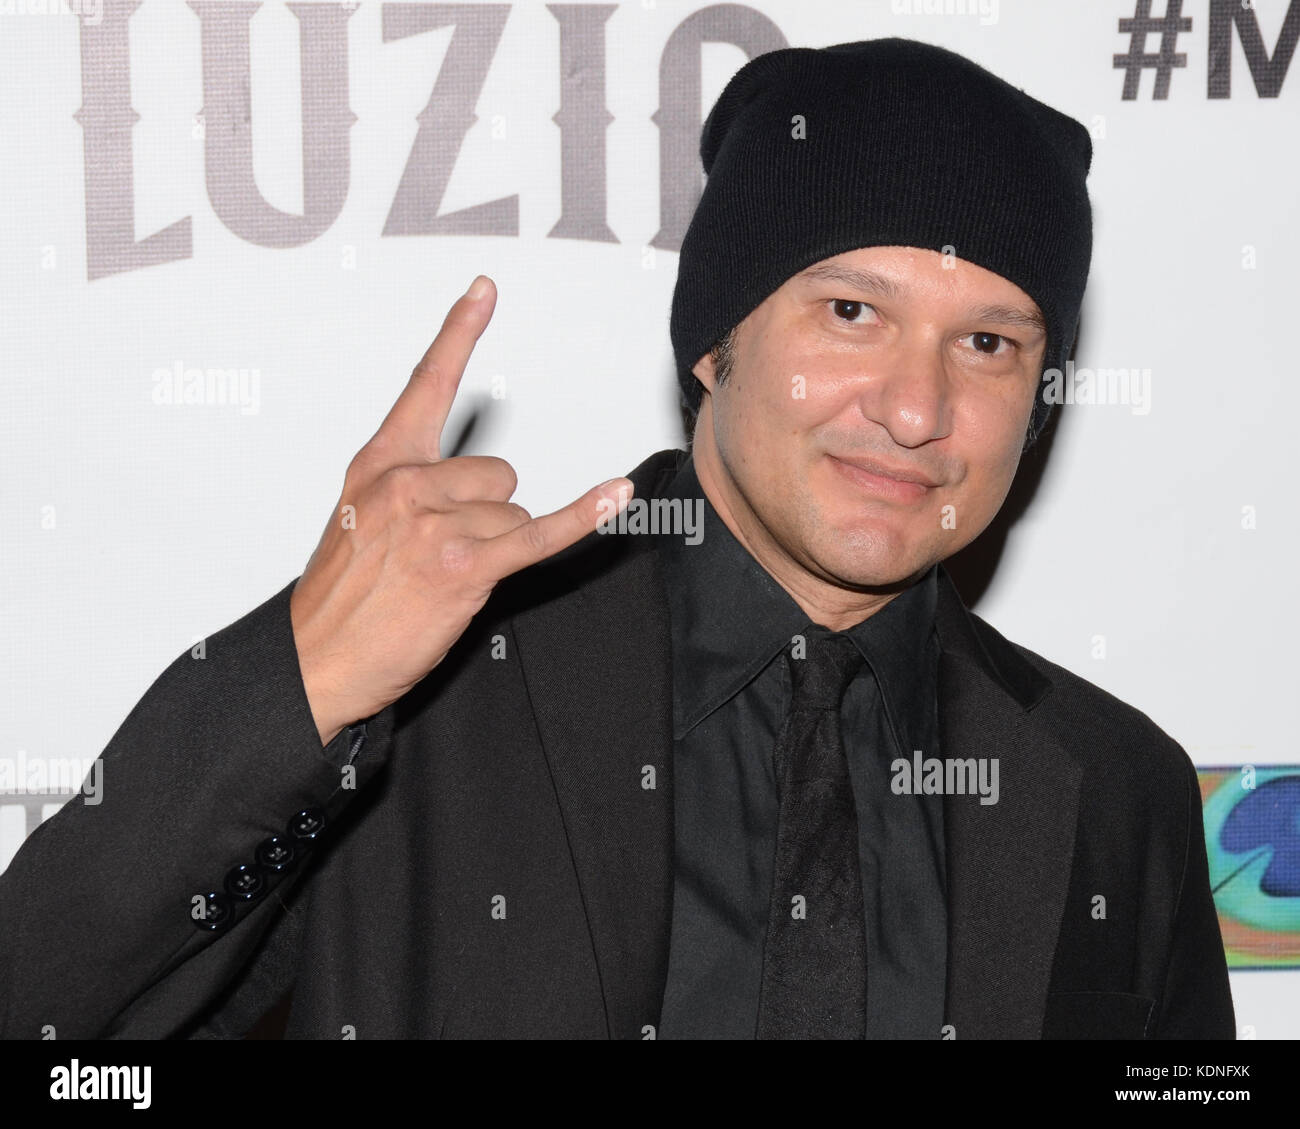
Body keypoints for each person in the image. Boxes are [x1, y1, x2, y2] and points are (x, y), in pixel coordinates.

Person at [0, 37, 1233, 1040]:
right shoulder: (426, 689)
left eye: (988, 343)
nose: (915, 411)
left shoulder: (1115, 786)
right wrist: (298, 682)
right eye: (850, 310)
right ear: (713, 340)